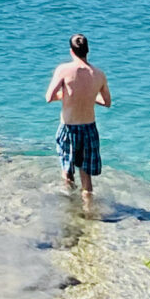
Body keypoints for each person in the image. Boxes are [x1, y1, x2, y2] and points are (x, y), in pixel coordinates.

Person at [46, 32, 111, 201]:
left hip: (69, 127)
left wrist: (67, 95)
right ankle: (89, 211)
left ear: (71, 51)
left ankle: (70, 211)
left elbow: (49, 97)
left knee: (67, 172)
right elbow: (106, 102)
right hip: (89, 128)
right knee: (86, 177)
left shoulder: (63, 70)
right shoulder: (99, 74)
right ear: (87, 50)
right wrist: (88, 97)